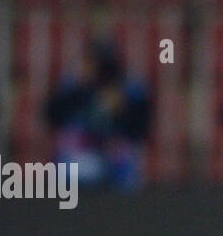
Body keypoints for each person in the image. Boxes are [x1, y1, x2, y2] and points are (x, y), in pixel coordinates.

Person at [44, 40, 152, 188]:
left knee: (126, 170)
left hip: (116, 157)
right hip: (79, 154)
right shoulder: (72, 84)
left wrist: (121, 110)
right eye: (93, 64)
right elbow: (52, 117)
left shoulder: (130, 88)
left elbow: (142, 129)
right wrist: (79, 91)